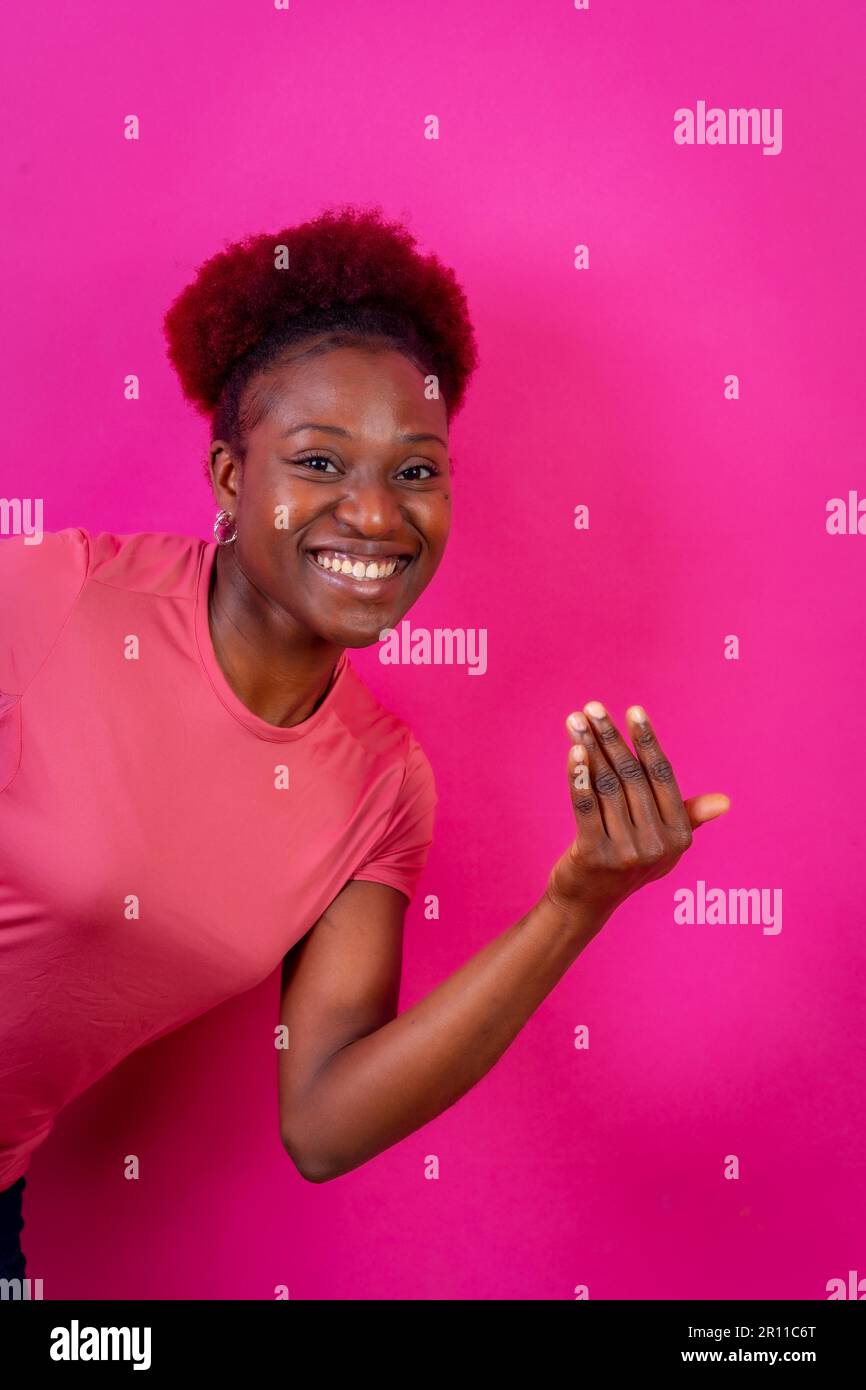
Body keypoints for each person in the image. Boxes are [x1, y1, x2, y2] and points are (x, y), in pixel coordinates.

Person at [0, 204, 729, 1280]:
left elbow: (327, 1121)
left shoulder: (379, 784)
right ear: (231, 480)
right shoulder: (58, 596)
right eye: (319, 462)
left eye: (416, 472)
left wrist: (575, 905)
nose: (377, 516)